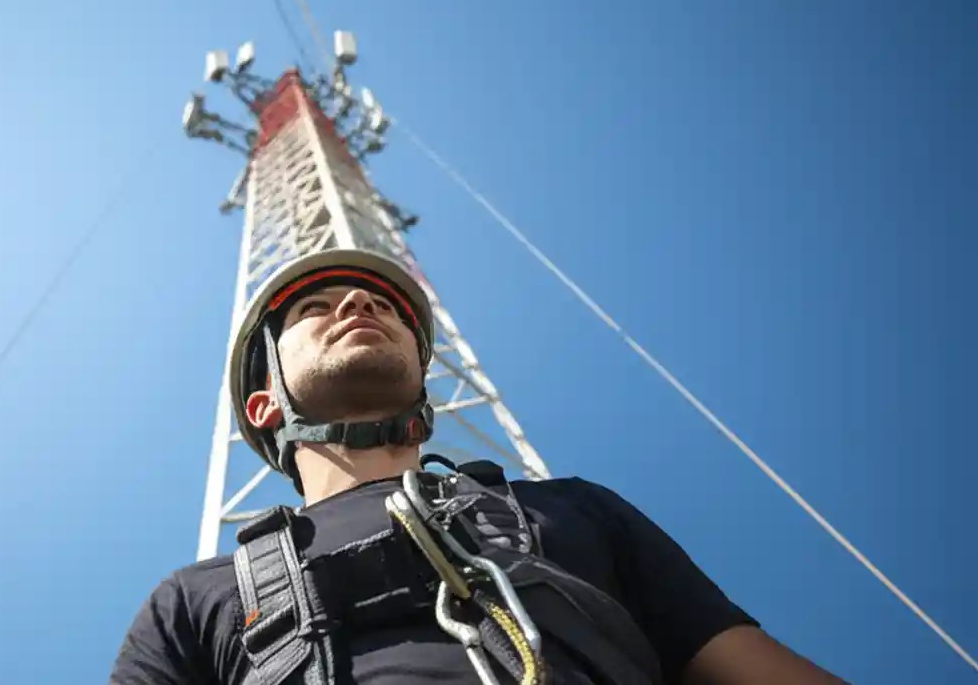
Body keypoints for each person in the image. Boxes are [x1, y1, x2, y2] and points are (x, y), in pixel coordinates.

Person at [110, 248, 844, 684]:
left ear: (426, 392)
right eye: (318, 308)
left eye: (384, 307)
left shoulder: (574, 511)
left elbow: (751, 666)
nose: (361, 301)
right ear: (266, 406)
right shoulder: (193, 600)